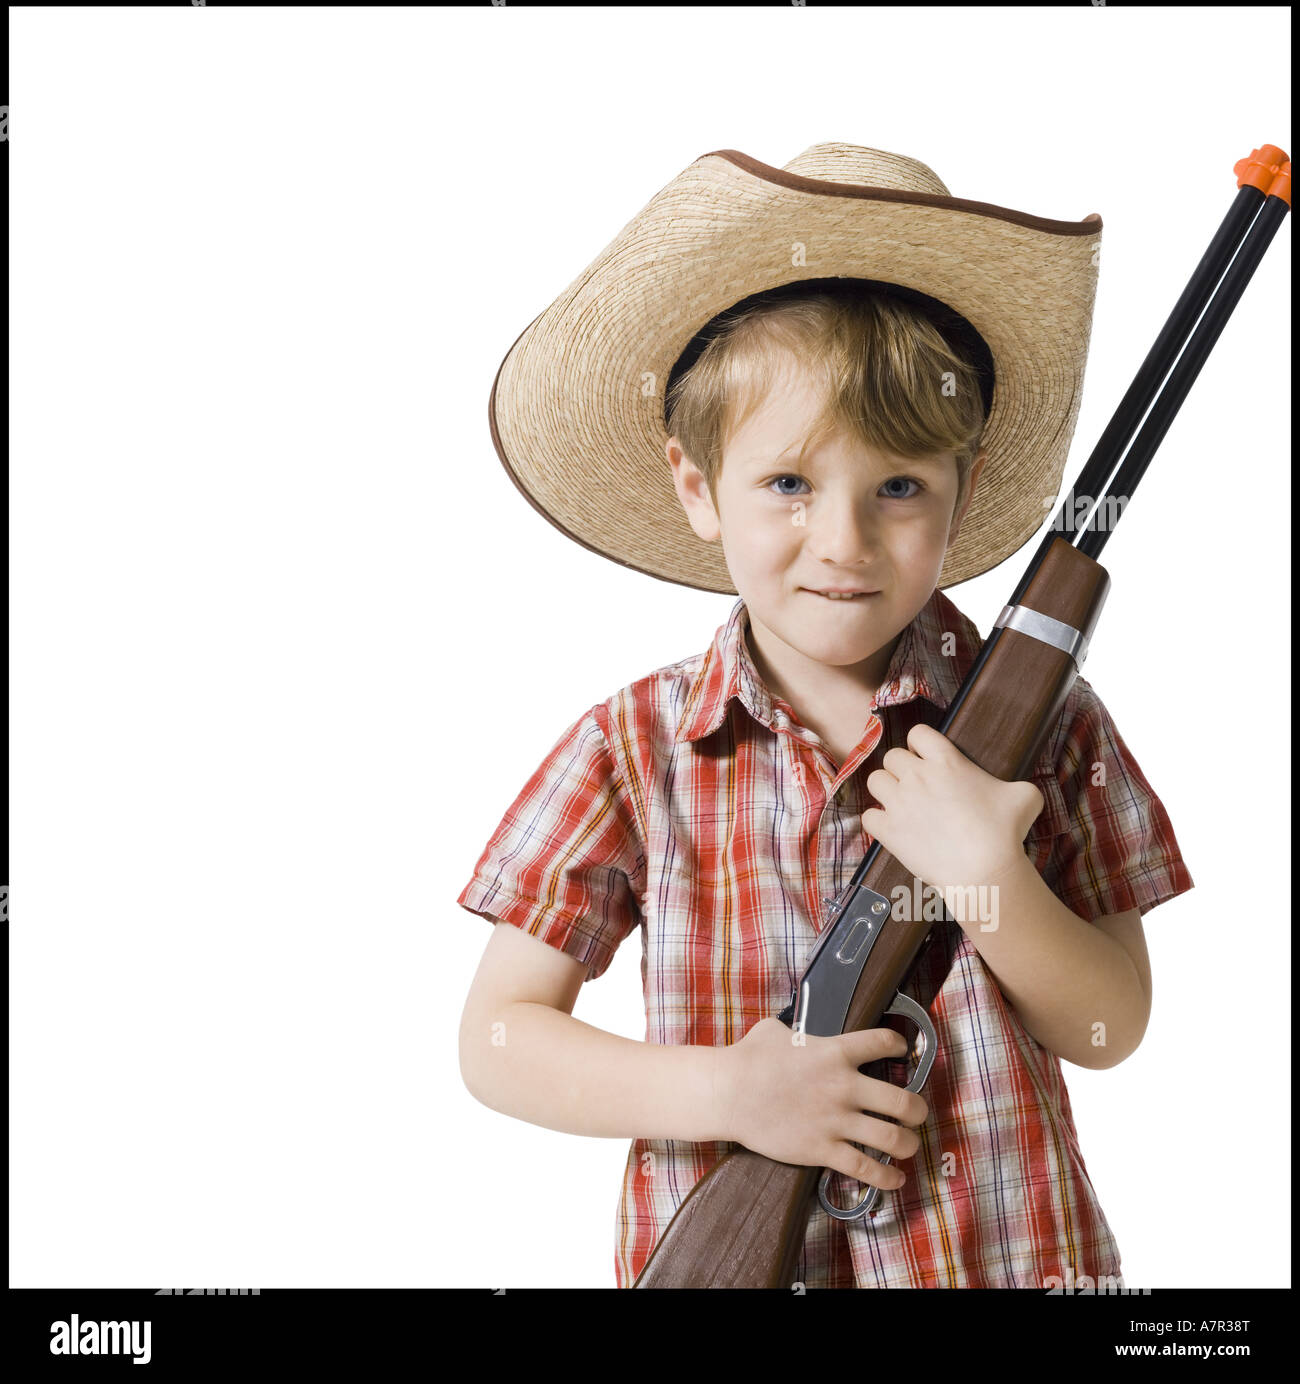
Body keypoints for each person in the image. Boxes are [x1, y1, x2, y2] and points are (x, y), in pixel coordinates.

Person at [455, 144, 1194, 1288]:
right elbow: (498, 1042)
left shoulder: (1056, 727)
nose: (843, 542)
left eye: (897, 485)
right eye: (789, 483)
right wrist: (731, 1091)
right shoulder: (631, 747)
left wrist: (983, 873)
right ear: (699, 487)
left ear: (965, 480)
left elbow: (1109, 1028)